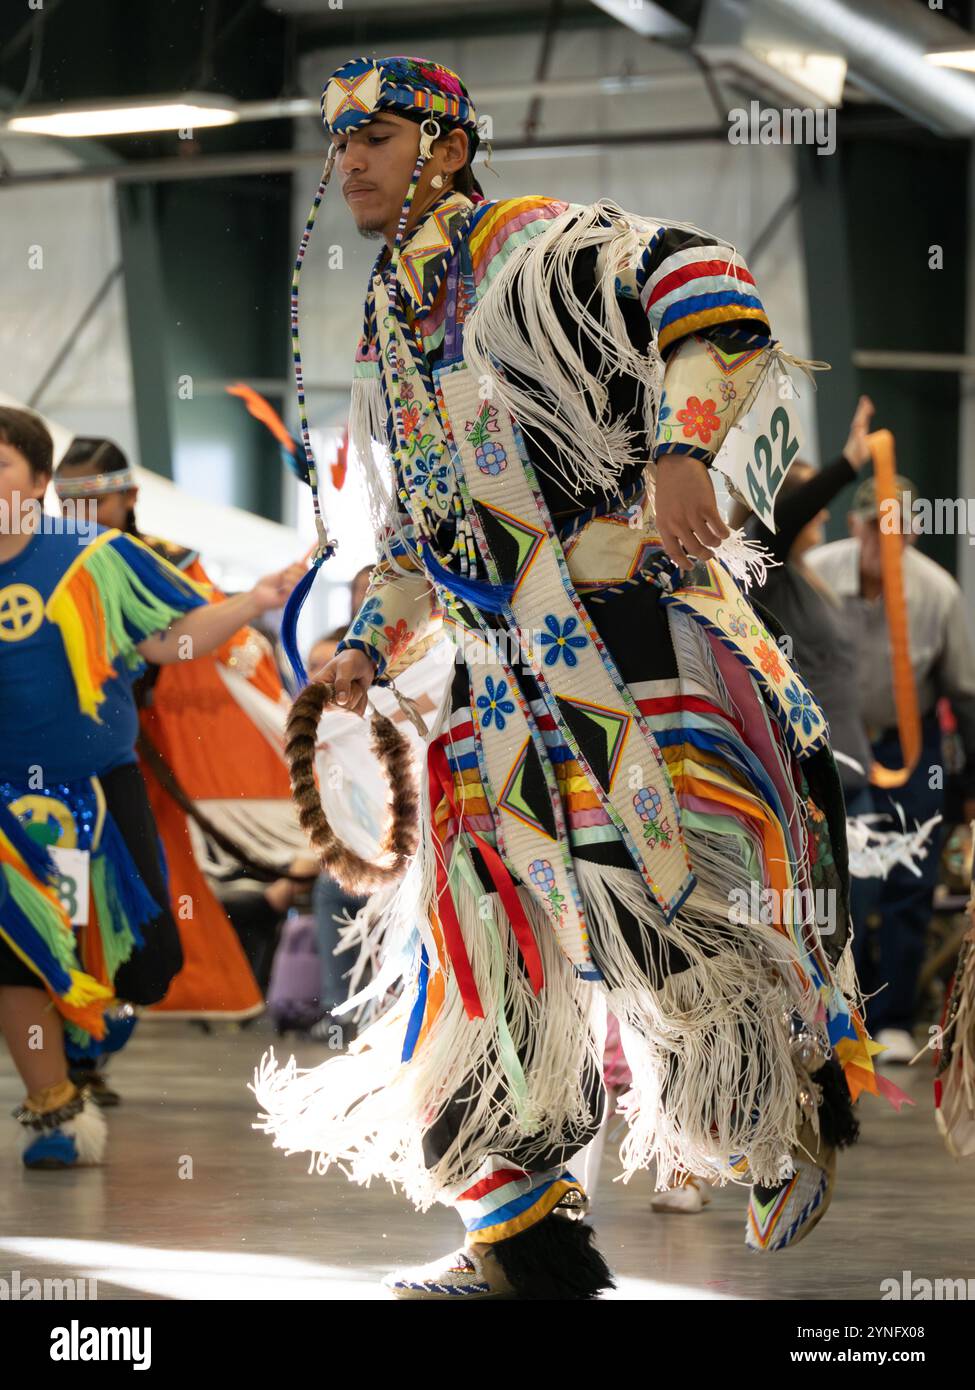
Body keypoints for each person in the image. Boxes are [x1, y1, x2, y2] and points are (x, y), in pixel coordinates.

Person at [254, 55, 888, 1298]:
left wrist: (682, 449)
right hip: (494, 690)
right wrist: (369, 642)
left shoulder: (537, 249)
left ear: (445, 141)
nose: (351, 162)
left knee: (664, 914)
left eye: (376, 136)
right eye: (339, 145)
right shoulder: (393, 328)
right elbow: (417, 540)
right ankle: (521, 1240)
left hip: (626, 653)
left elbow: (708, 281)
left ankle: (776, 1101)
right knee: (481, 959)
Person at [0, 406, 303, 1167]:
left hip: (101, 785)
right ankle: (55, 1111)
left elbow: (170, 638)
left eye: (0, 464)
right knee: (16, 955)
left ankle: (97, 1018)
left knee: (149, 961)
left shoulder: (94, 556)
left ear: (39, 482)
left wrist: (253, 604)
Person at [53, 440, 301, 1049]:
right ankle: (70, 1045)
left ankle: (106, 1021)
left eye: (93, 499)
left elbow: (197, 638)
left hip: (135, 751)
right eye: (67, 501)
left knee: (143, 907)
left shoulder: (163, 563)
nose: (81, 513)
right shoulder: (41, 559)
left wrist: (248, 611)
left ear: (129, 496)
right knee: (60, 902)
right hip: (48, 760)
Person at [808, 475, 975, 1062]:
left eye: (895, 529)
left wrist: (965, 787)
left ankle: (897, 1016)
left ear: (914, 532)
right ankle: (840, 1012)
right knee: (838, 880)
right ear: (854, 527)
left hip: (912, 740)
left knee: (909, 876)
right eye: (871, 527)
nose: (882, 539)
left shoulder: (938, 592)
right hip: (831, 741)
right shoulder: (819, 573)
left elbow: (963, 690)